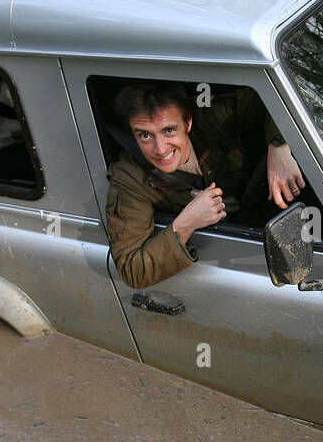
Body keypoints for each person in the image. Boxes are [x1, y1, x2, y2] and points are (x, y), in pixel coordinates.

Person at [105, 81, 306, 290]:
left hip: (255, 227)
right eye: (145, 135)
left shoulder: (210, 119)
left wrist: (279, 145)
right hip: (223, 262)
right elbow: (133, 269)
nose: (160, 148)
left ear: (188, 124)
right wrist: (186, 223)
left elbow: (280, 97)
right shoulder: (129, 179)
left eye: (169, 130)